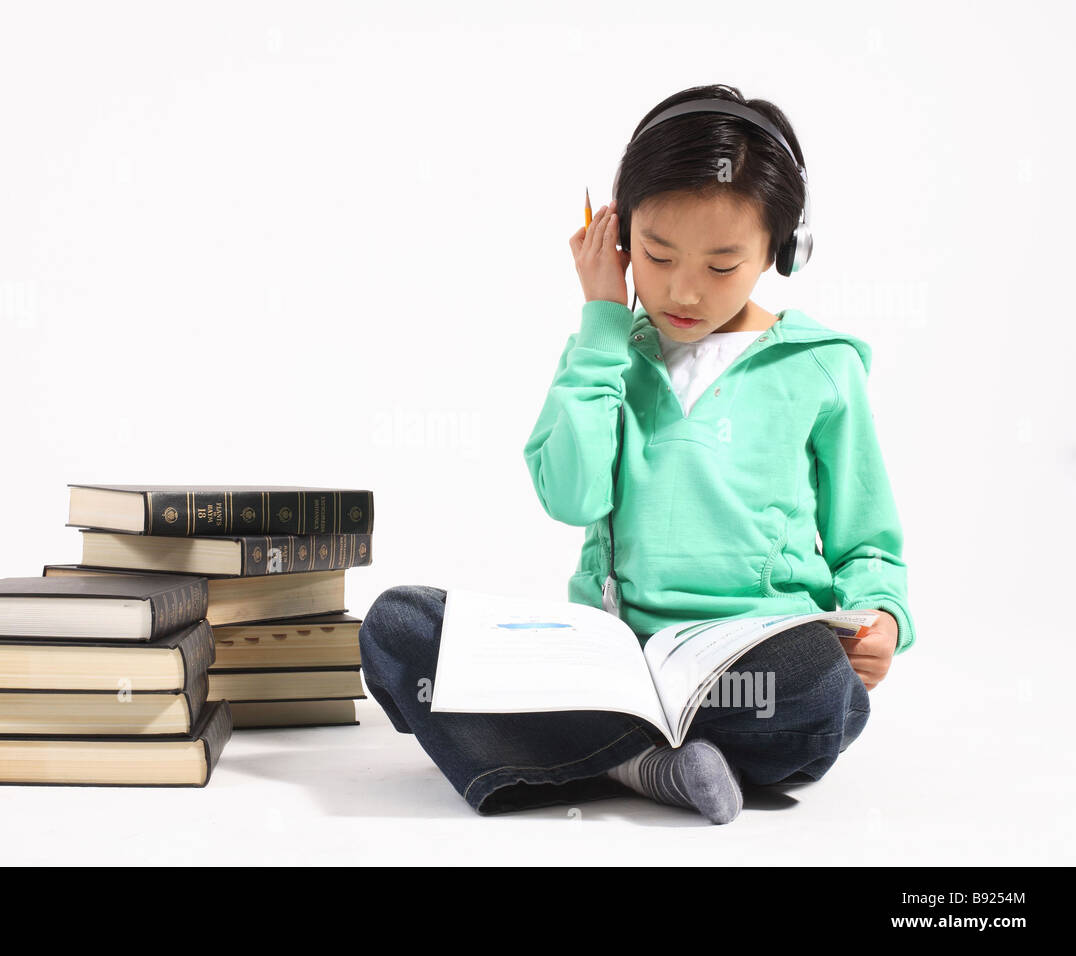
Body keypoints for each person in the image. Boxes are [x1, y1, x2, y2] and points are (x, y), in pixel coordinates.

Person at [359, 84, 915, 825]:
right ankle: (649, 762)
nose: (683, 289)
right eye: (656, 255)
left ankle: (585, 756)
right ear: (620, 239)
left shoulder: (821, 368)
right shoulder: (606, 351)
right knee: (398, 628)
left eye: (722, 266)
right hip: (609, 658)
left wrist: (881, 615)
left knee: (819, 692)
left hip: (752, 658)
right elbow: (572, 496)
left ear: (783, 251)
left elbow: (866, 541)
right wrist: (601, 322)